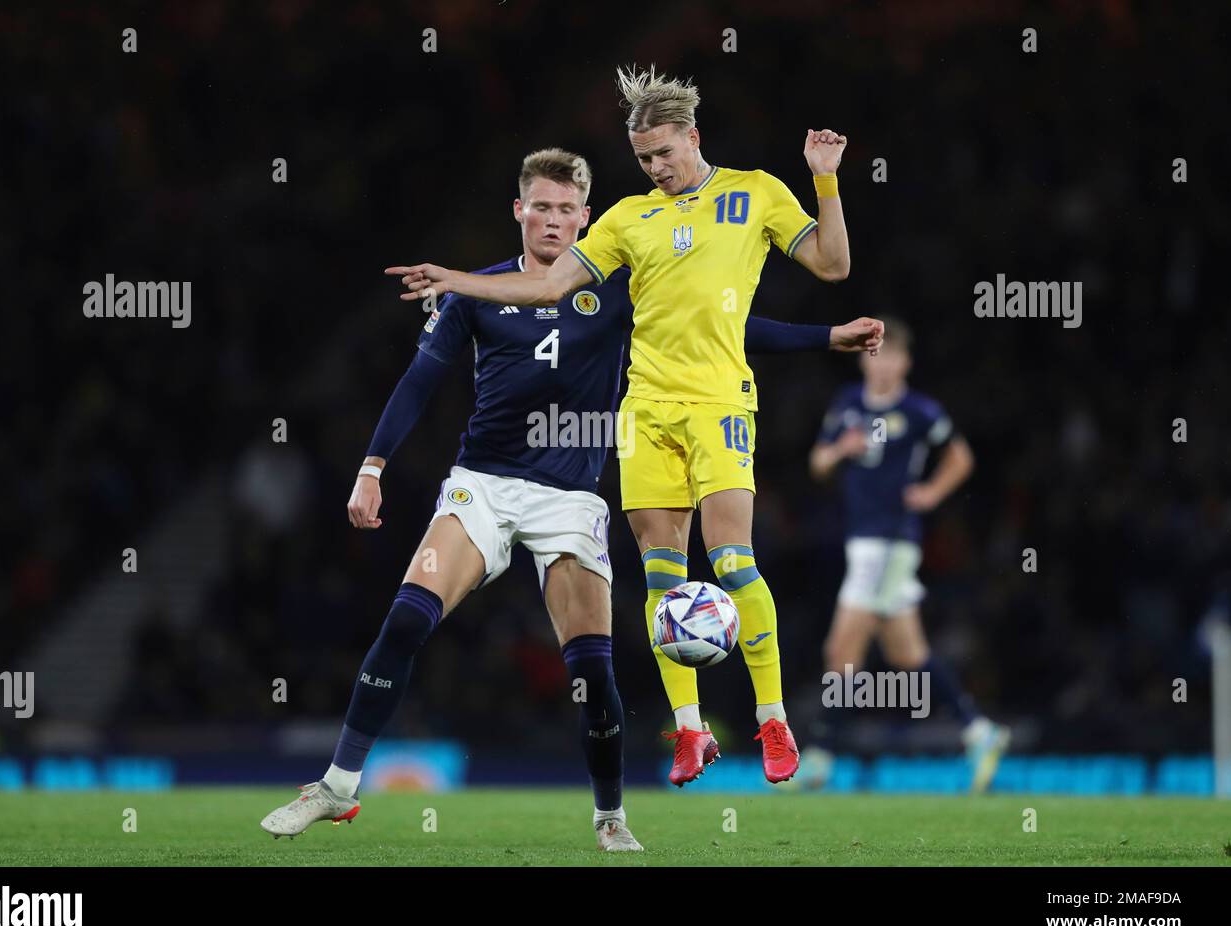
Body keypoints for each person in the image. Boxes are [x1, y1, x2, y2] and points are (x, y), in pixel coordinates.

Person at [387, 65, 854, 786]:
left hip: (721, 403)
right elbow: (546, 284)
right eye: (643, 160)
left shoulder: (756, 191)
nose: (656, 169)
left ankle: (773, 720)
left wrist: (824, 179)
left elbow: (833, 263)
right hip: (644, 412)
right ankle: (692, 731)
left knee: (732, 564)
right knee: (664, 579)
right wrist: (457, 279)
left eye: (665, 154)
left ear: (693, 137)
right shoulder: (628, 219)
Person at [808, 317, 1010, 792]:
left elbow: (961, 456)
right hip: (863, 539)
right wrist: (840, 449)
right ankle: (980, 731)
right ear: (862, 358)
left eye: (891, 355)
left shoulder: (919, 411)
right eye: (873, 354)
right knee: (907, 656)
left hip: (890, 540)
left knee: (841, 652)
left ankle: (819, 754)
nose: (881, 364)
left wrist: (932, 494)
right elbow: (817, 463)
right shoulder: (847, 405)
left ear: (906, 362)